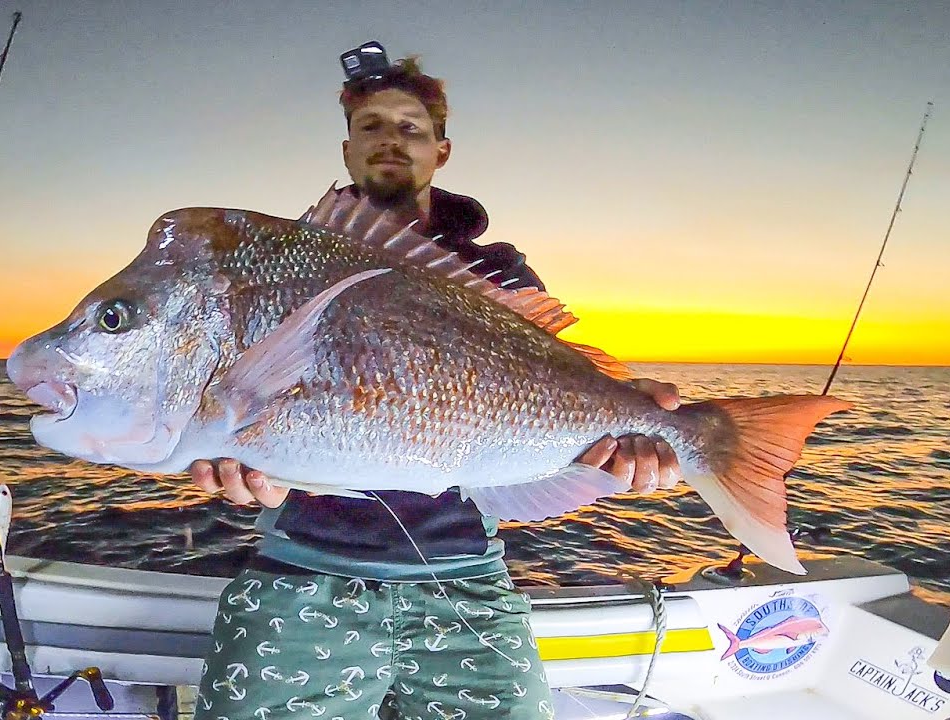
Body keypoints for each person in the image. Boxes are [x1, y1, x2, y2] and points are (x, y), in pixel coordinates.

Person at [189, 51, 682, 720]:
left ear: (440, 150)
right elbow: (253, 417)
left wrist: (631, 418)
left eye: (411, 127)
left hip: (466, 579)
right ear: (347, 145)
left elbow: (560, 372)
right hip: (303, 571)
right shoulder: (290, 262)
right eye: (371, 126)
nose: (391, 140)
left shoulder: (497, 270)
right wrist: (246, 462)